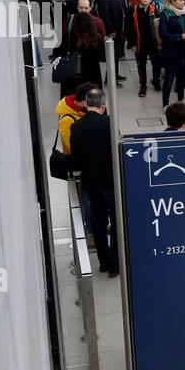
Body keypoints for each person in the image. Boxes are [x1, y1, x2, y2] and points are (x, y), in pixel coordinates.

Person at [68, 88, 118, 277]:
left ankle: (103, 261)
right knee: (116, 222)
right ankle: (114, 263)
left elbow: (76, 159)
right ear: (103, 105)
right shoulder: (109, 123)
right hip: (111, 183)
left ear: (86, 104)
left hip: (90, 183)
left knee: (98, 222)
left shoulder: (76, 126)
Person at [158, 0, 185, 108]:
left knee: (181, 78)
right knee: (169, 79)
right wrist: (179, 37)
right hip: (172, 51)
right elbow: (163, 33)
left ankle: (181, 99)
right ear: (173, 1)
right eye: (180, 1)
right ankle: (165, 104)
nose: (183, 3)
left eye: (183, 0)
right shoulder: (166, 14)